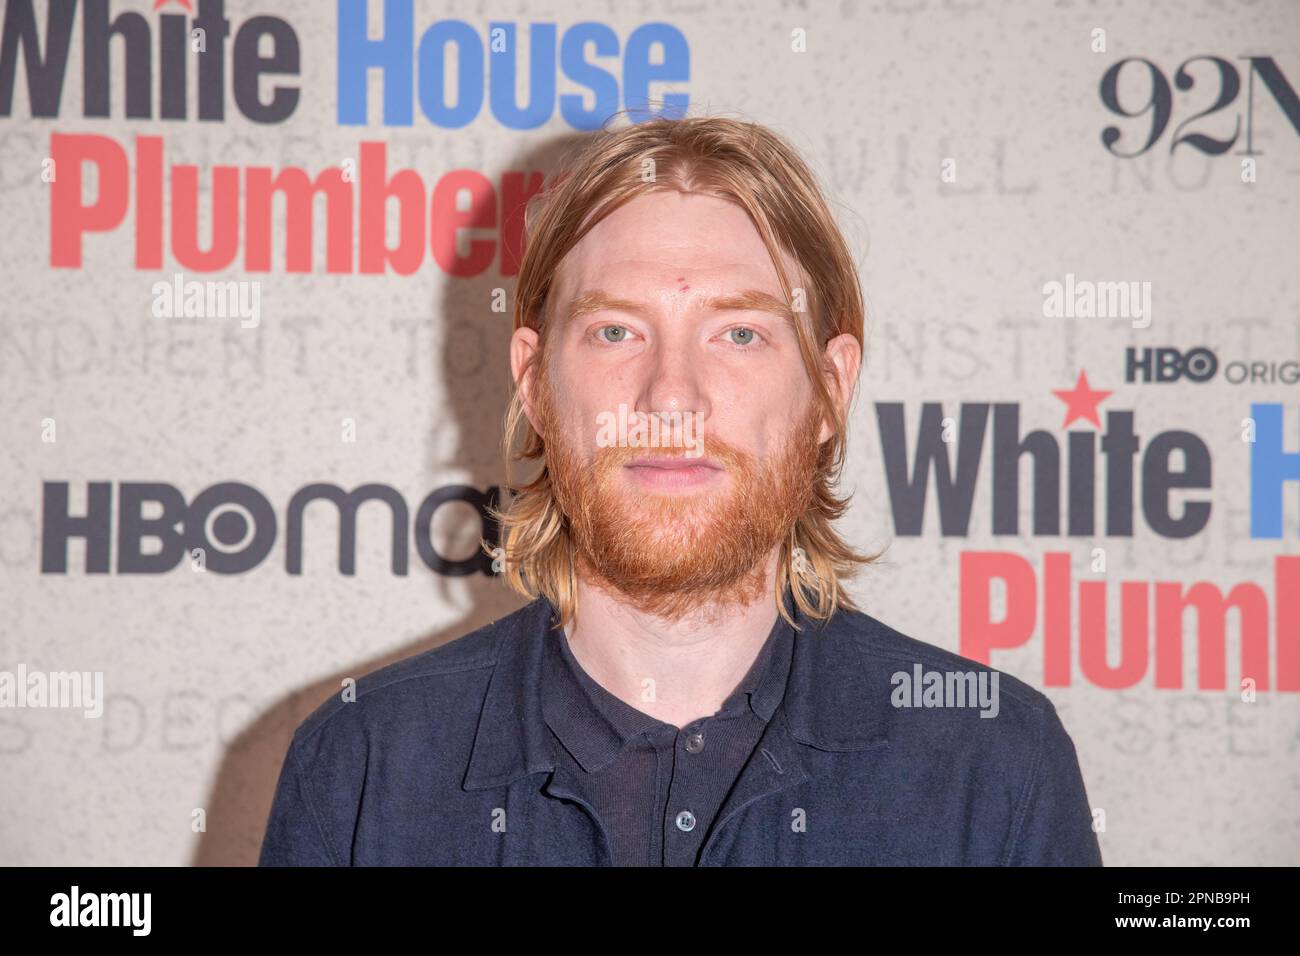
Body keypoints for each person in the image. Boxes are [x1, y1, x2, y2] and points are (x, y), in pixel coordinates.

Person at [258, 114, 1103, 866]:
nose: (671, 397)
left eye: (739, 333)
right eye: (615, 330)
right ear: (535, 384)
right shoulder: (363, 766)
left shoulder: (993, 766)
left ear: (829, 391)